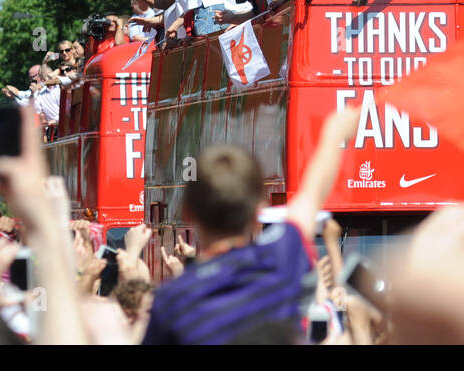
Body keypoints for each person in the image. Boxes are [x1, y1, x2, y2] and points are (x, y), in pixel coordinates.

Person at [141, 105, 362, 344]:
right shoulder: (280, 261)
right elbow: (310, 197)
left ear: (188, 212)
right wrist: (334, 135)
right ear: (259, 211)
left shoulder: (170, 302)